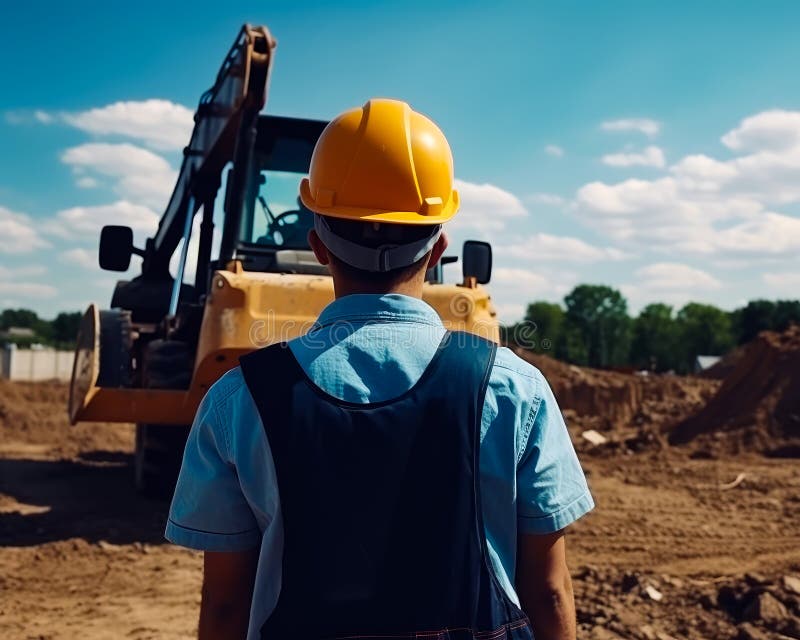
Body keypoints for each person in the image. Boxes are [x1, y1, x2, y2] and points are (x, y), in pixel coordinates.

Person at [165, 98, 594, 640]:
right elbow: (549, 591)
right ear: (439, 246)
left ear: (317, 244)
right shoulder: (513, 389)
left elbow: (226, 605)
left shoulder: (238, 400)